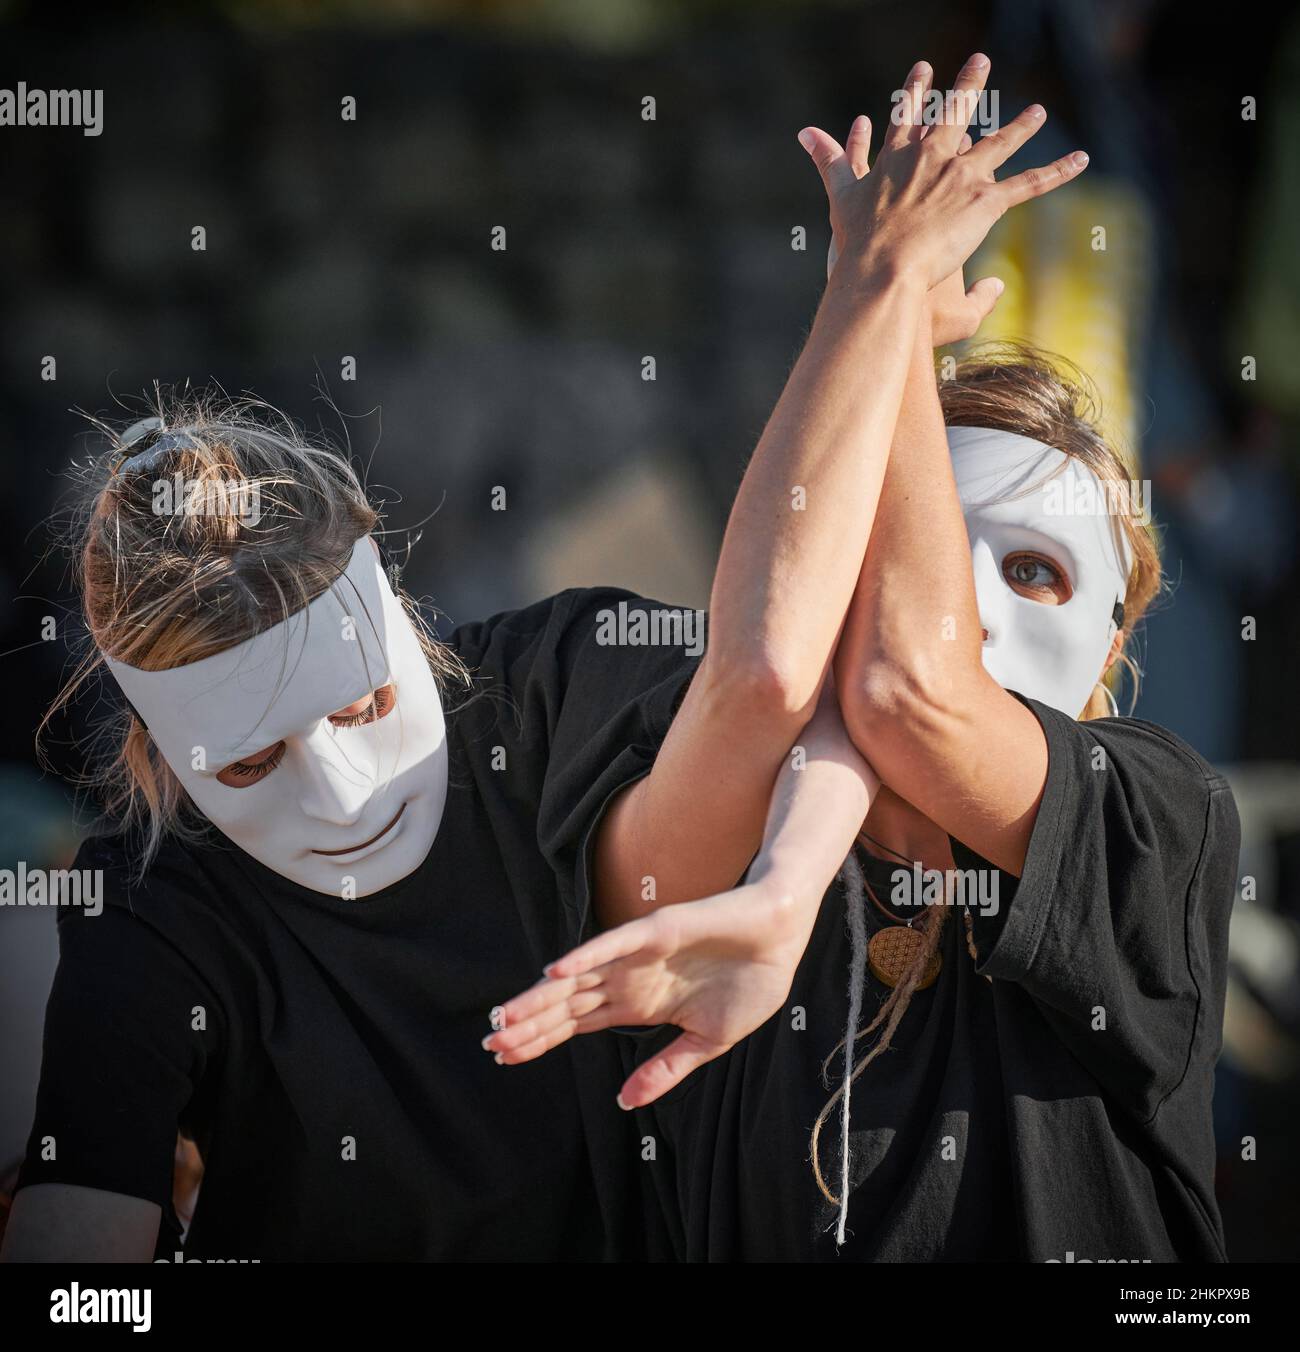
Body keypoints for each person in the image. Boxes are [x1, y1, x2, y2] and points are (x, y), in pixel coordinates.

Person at [1, 54, 1084, 1262]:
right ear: (161, 755)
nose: (341, 792)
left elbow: (793, 679)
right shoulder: (153, 907)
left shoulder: (553, 682)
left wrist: (782, 894)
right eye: (249, 766)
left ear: (405, 620)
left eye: (363, 707)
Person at [487, 65, 1239, 1262]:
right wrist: (879, 307)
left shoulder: (1158, 817)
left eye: (1038, 570)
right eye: (919, 552)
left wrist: (875, 283)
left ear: (1106, 667)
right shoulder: (697, 794)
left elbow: (907, 687)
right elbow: (778, 679)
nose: (976, 606)